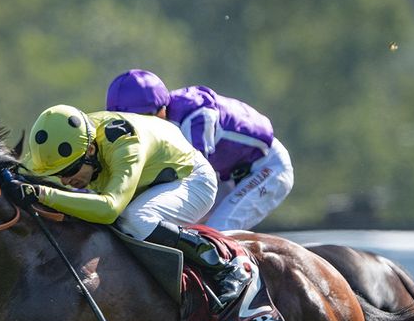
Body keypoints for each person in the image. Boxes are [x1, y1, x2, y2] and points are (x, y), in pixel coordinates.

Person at [14, 104, 250, 310]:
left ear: (91, 150)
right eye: (57, 175)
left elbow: (109, 210)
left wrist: (44, 193)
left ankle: (223, 266)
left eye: (68, 171)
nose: (65, 181)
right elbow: (19, 170)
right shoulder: (73, 145)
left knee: (134, 219)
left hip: (192, 180)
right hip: (152, 179)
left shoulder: (125, 146)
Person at [106, 69, 294, 232]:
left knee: (218, 230)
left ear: (161, 110)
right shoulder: (153, 116)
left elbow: (193, 174)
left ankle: (240, 273)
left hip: (266, 169)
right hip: (223, 177)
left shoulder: (195, 115)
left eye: (141, 119)